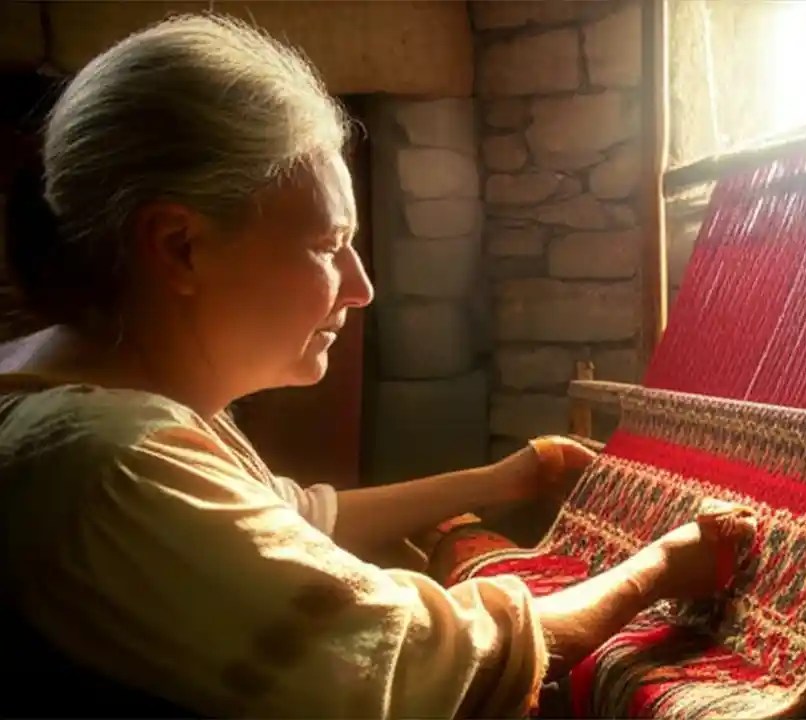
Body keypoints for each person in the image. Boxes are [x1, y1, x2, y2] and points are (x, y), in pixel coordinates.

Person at [0, 14, 737, 719]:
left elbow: (289, 517)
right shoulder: (112, 467)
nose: (362, 287)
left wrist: (504, 479)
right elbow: (432, 667)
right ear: (179, 246)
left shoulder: (72, 400)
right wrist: (660, 568)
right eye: (328, 245)